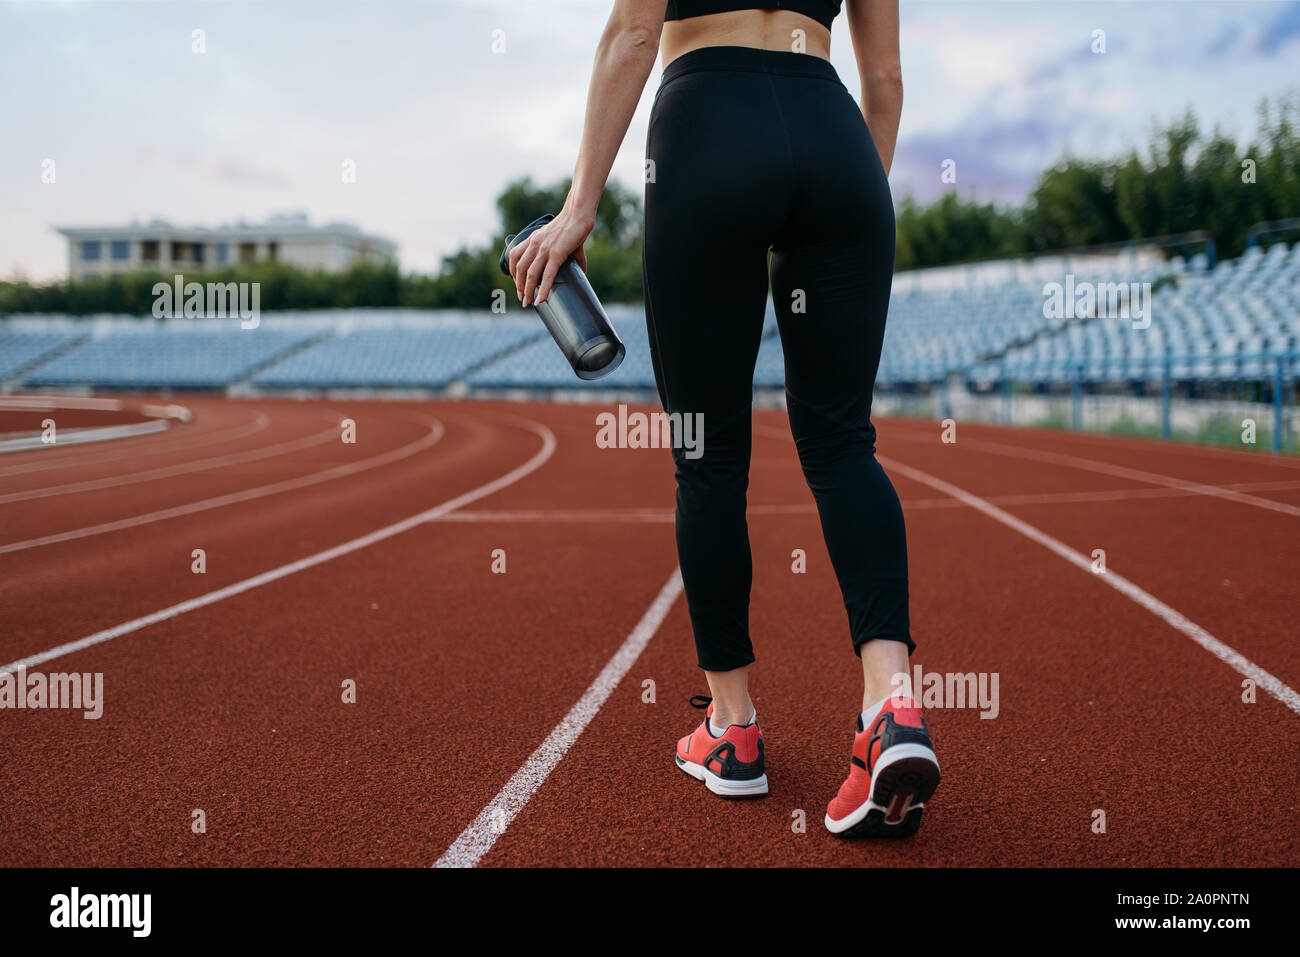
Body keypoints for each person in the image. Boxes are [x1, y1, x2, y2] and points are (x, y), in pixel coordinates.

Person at [506, 0, 939, 838]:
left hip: (708, 126)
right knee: (845, 441)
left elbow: (633, 33)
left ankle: (732, 730)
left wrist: (579, 205)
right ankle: (891, 705)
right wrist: (850, 211)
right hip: (834, 134)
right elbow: (883, 79)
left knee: (707, 458)